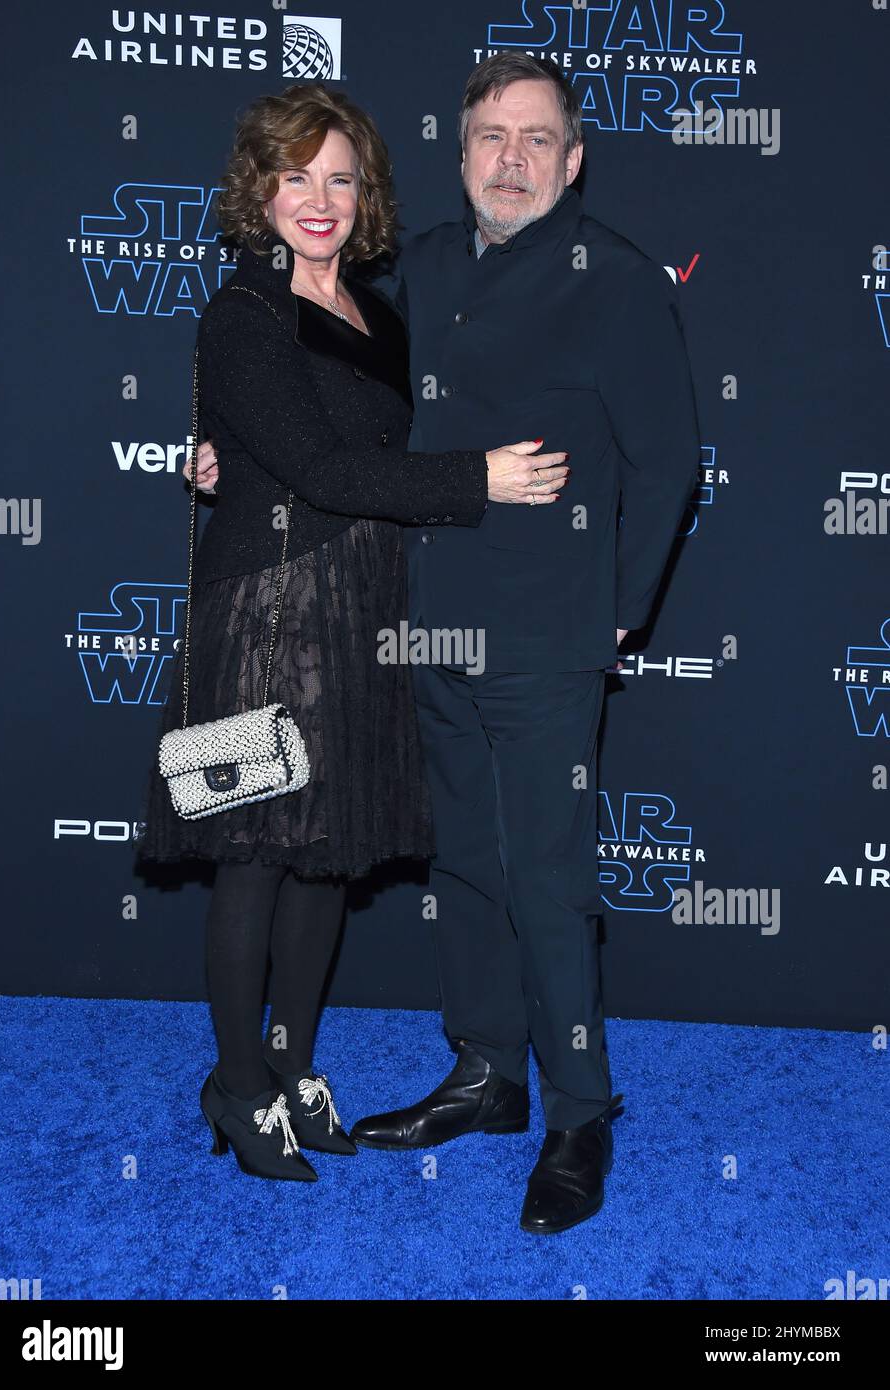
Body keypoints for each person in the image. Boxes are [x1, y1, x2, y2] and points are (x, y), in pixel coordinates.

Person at [135, 82, 569, 1183]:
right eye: (297, 176)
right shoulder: (242, 313)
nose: (319, 199)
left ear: (365, 189)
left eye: (341, 176)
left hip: (365, 608)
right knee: (255, 857)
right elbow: (324, 471)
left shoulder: (380, 314)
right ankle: (234, 1085)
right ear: (260, 188)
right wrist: (479, 480)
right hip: (268, 611)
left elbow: (349, 443)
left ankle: (290, 1064)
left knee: (325, 860)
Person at [347, 55, 702, 1234]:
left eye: (537, 140)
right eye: (491, 138)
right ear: (459, 154)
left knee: (549, 878)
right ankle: (490, 1073)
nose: (511, 160)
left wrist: (618, 608)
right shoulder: (422, 267)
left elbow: (669, 462)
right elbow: (341, 395)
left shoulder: (618, 284)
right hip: (430, 616)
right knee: (463, 862)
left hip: (548, 633)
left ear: (574, 159)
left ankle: (580, 1113)